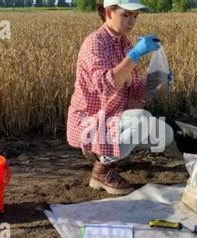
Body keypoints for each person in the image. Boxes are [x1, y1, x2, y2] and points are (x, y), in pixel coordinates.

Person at [67, 0, 179, 196]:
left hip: (115, 118)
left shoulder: (125, 44)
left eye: (135, 16)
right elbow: (104, 84)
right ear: (109, 12)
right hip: (91, 122)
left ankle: (114, 153)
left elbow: (136, 92)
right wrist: (135, 55)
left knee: (165, 135)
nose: (132, 21)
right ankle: (101, 169)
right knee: (141, 119)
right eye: (126, 14)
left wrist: (156, 84)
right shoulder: (95, 43)